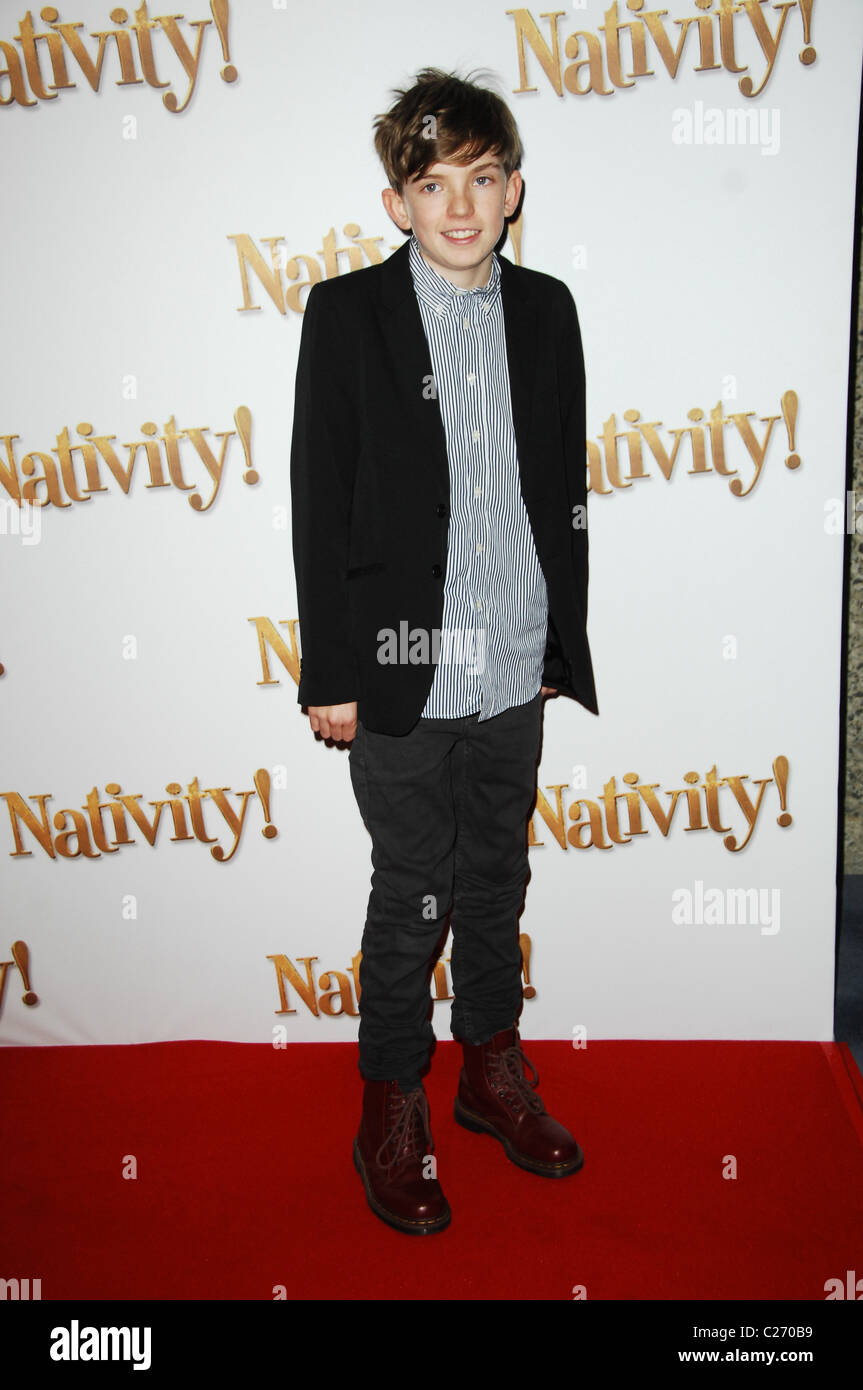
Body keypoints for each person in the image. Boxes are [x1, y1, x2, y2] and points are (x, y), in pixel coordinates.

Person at [290, 67, 598, 1236]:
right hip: (400, 660)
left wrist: (559, 637)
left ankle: (488, 1071)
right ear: (395, 201)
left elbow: (557, 486)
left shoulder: (550, 309)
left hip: (514, 652)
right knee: (409, 892)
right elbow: (320, 501)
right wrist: (330, 672)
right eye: (432, 182)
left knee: (493, 879)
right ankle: (389, 1104)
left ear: (512, 188)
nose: (459, 204)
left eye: (480, 177)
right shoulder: (346, 313)